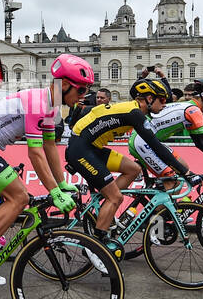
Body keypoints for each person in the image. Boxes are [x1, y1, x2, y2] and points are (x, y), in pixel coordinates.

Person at [0, 53, 90, 284]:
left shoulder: (52, 108)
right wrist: (54, 192)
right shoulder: (39, 102)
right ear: (65, 85)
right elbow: (34, 152)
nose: (83, 96)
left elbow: (49, 147)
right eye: (82, 90)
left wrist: (62, 184)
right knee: (19, 197)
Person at [67, 75, 195, 250]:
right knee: (115, 197)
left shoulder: (134, 110)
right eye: (162, 100)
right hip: (80, 150)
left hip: (91, 147)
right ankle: (97, 249)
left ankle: (107, 208)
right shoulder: (134, 113)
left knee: (133, 169)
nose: (164, 104)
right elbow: (156, 146)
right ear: (149, 99)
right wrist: (185, 172)